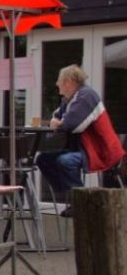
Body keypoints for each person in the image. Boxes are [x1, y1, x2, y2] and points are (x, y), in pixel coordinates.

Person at [34, 65, 106, 216]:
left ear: (69, 82)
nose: (57, 84)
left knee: (66, 161)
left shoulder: (86, 96)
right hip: (80, 148)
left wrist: (59, 122)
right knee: (43, 159)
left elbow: (73, 124)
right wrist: (58, 121)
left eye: (59, 81)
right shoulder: (70, 99)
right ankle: (70, 195)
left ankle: (82, 203)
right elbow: (57, 116)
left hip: (97, 150)